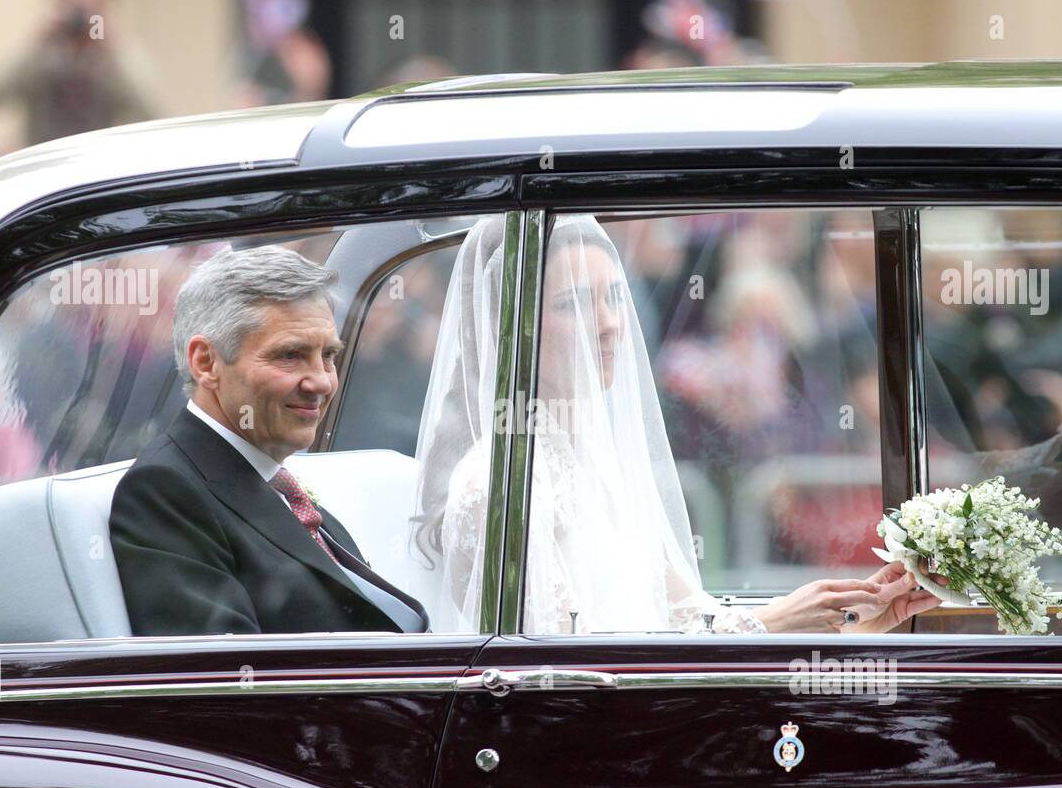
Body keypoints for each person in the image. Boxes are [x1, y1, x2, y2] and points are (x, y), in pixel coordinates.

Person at [410, 215, 942, 635]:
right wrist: (767, 622)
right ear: (513, 331)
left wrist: (849, 617)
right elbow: (564, 674)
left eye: (613, 297)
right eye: (575, 303)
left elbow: (684, 618)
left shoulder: (595, 459)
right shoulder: (498, 484)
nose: (609, 324)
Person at [110, 245, 427, 636]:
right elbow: (225, 684)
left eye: (328, 355)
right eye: (290, 356)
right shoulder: (165, 492)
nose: (322, 382)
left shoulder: (269, 477)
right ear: (206, 363)